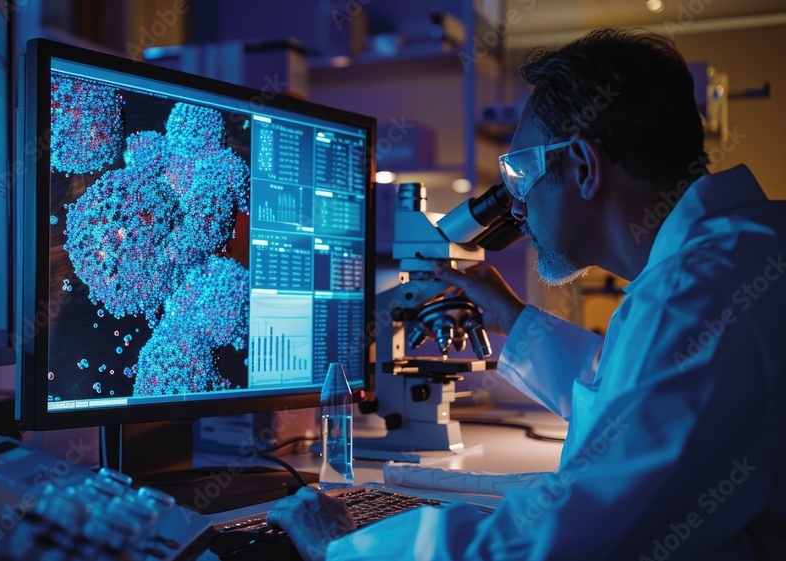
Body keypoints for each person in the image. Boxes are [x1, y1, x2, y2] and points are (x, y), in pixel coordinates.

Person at [266, 28, 786, 560]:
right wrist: (514, 321)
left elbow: (571, 542)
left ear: (584, 166)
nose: (516, 211)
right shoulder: (731, 259)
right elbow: (631, 405)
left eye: (519, 174)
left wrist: (349, 547)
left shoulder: (693, 297)